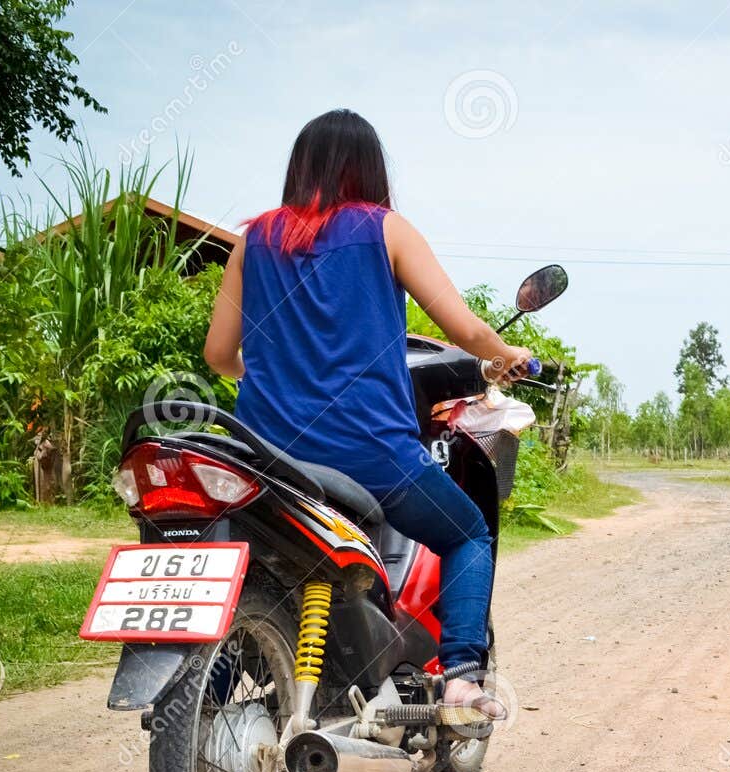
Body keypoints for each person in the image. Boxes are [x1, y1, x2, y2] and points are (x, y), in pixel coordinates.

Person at [204, 108, 529, 720]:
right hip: (369, 455)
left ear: (299, 168)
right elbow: (463, 329)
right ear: (370, 170)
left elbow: (219, 355)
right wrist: (507, 355)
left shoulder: (254, 241)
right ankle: (461, 677)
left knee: (257, 567)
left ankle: (205, 698)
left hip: (265, 456)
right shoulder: (386, 230)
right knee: (467, 532)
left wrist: (273, 373)